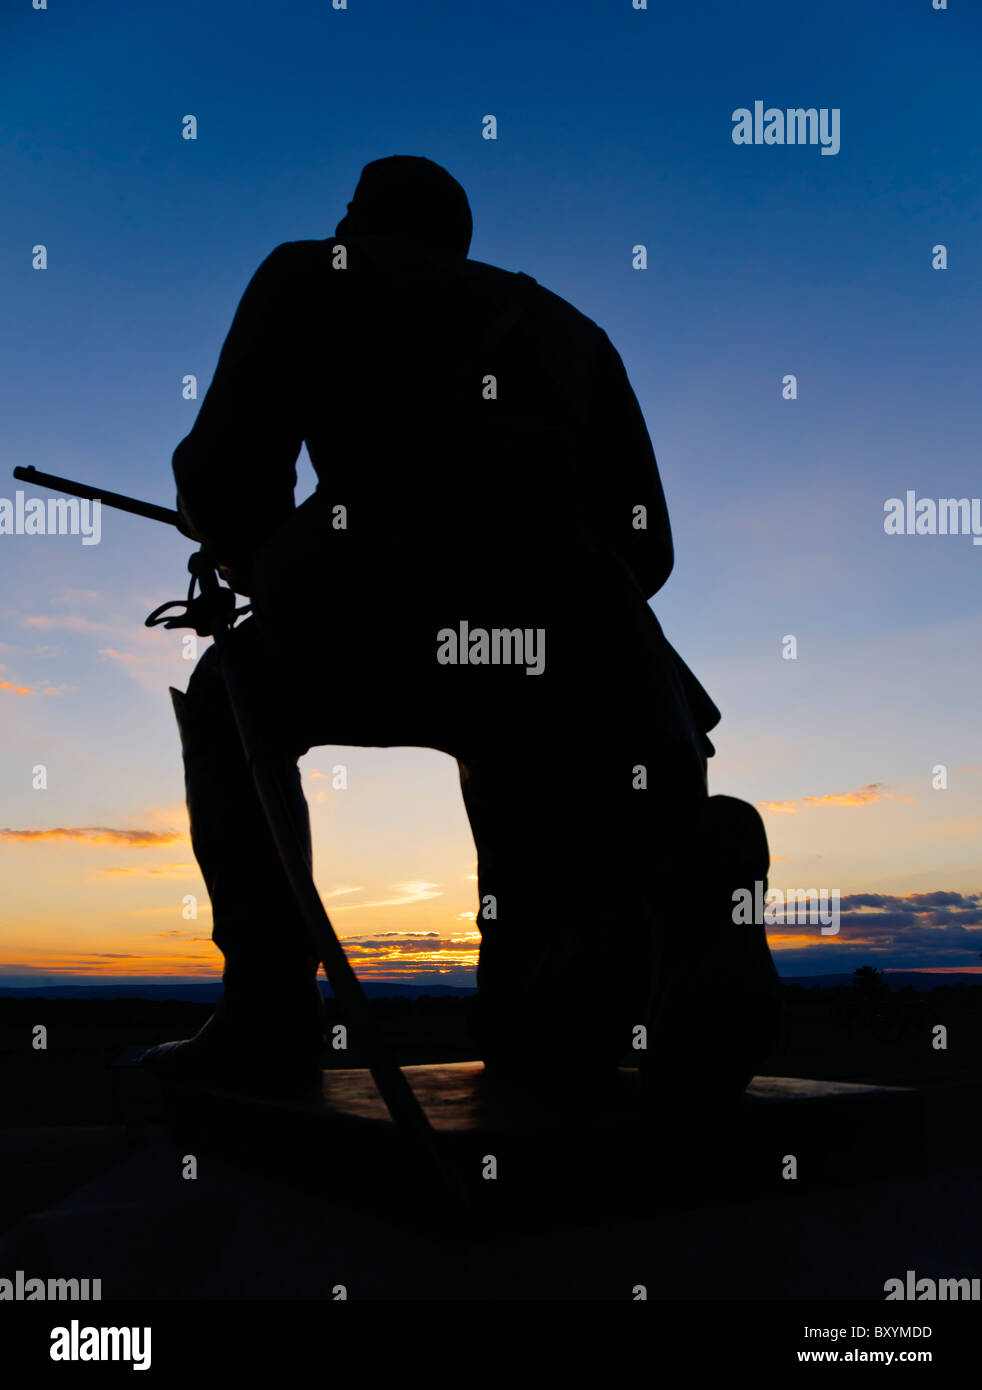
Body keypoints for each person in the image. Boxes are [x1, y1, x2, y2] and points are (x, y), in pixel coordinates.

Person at [141, 155, 780, 1100]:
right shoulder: (574, 333)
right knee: (545, 1043)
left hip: (386, 611)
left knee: (234, 696)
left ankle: (269, 1015)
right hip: (589, 650)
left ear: (357, 217)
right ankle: (691, 883)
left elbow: (227, 479)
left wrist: (254, 553)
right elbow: (651, 547)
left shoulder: (310, 274)